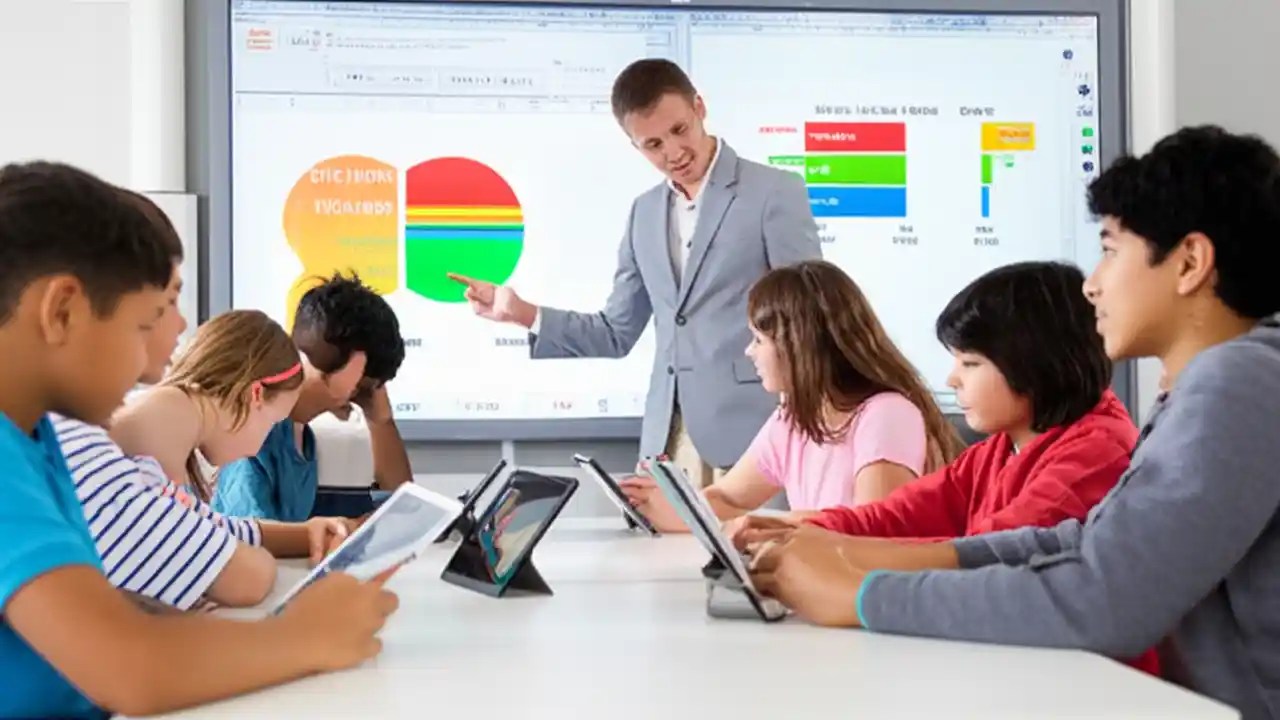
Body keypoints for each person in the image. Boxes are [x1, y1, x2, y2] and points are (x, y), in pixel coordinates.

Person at [745, 126, 1280, 720]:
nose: (1092, 284)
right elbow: (1075, 544)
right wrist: (847, 553)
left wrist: (862, 595)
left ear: (1190, 263)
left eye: (1110, 250)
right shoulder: (1216, 384)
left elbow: (1105, 595)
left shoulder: (1238, 380)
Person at [0, 161, 397, 719]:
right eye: (144, 325)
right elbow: (130, 668)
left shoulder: (40, 441)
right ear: (62, 312)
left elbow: (104, 617)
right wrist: (307, 635)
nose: (152, 359)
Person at [449, 58, 822, 487]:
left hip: (758, 436)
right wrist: (521, 312)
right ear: (635, 146)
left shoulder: (774, 191)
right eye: (654, 144)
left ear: (699, 107)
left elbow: (810, 316)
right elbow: (616, 332)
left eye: (679, 130)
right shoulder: (643, 213)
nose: (673, 153)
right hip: (666, 444)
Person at [731, 261, 1137, 542]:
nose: (952, 379)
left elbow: (986, 555)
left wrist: (829, 563)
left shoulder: (1094, 454)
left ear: (1035, 364)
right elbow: (897, 517)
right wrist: (802, 531)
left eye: (970, 363)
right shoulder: (997, 451)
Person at [621, 260, 961, 531]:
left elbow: (873, 527)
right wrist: (667, 506)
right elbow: (729, 498)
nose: (749, 351)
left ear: (797, 345)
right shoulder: (794, 417)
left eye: (759, 340)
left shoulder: (887, 413)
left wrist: (772, 524)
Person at [59, 301, 355, 610]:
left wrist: (306, 534)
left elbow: (209, 528)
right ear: (254, 394)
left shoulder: (169, 414)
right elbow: (240, 573)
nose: (258, 447)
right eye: (271, 423)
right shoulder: (156, 433)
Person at [213, 272, 410, 521]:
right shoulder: (256, 426)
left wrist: (381, 420)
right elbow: (247, 532)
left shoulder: (303, 441)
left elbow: (403, 506)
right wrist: (344, 529)